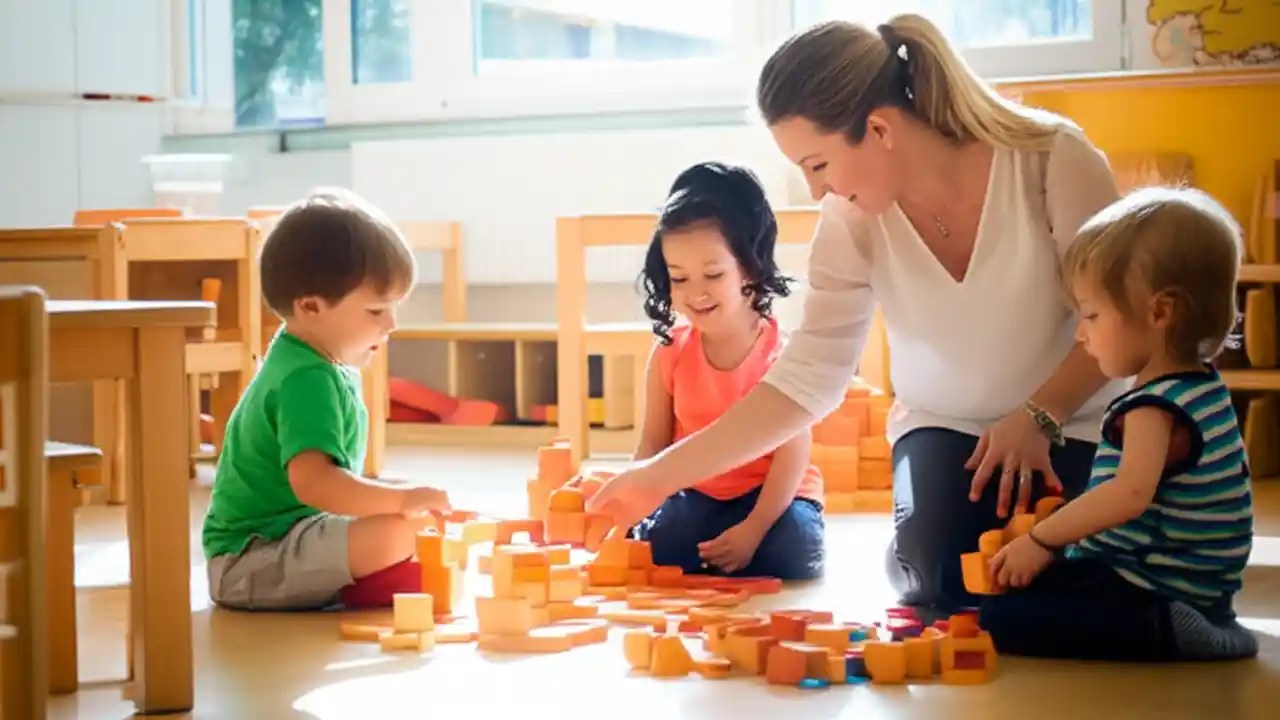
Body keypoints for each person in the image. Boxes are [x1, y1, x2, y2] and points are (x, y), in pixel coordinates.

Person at [588, 14, 1131, 615]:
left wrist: (1039, 415)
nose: (815, 191)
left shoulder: (1052, 160)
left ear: (878, 129)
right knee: (942, 578)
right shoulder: (851, 219)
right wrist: (658, 476)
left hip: (1072, 420)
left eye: (817, 165)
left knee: (1082, 558)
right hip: (944, 427)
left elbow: (1121, 321)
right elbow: (806, 378)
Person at [979, 186, 1258, 661]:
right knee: (1016, 586)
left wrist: (1043, 539)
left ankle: (1171, 628)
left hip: (1151, 584)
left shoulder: (1154, 407)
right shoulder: (1201, 387)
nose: (1081, 333)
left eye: (1091, 314)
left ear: (1160, 312)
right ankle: (1192, 618)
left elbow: (1128, 494)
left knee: (1004, 617)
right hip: (1183, 579)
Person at [202, 188, 451, 611]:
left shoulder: (315, 361)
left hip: (292, 536)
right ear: (311, 307)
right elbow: (316, 483)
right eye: (376, 311)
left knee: (409, 520)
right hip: (251, 560)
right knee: (398, 530)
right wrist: (401, 501)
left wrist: (403, 497)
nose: (391, 324)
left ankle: (369, 581)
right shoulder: (305, 379)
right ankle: (364, 583)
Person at [624, 160, 825, 580]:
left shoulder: (780, 354)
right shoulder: (670, 352)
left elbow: (791, 460)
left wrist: (754, 529)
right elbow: (651, 446)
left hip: (773, 498)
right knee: (659, 539)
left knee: (794, 545)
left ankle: (738, 549)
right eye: (679, 278)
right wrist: (625, 507)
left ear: (748, 267)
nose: (695, 293)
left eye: (713, 274)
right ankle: (719, 552)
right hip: (698, 495)